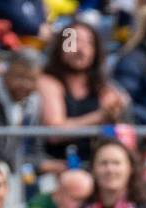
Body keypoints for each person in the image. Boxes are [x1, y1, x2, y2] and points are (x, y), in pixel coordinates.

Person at [39, 19, 129, 165]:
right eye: (74, 42)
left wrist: (115, 111)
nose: (81, 50)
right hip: (58, 164)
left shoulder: (103, 86)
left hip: (97, 163)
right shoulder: (49, 82)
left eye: (88, 43)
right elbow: (54, 133)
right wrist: (99, 116)